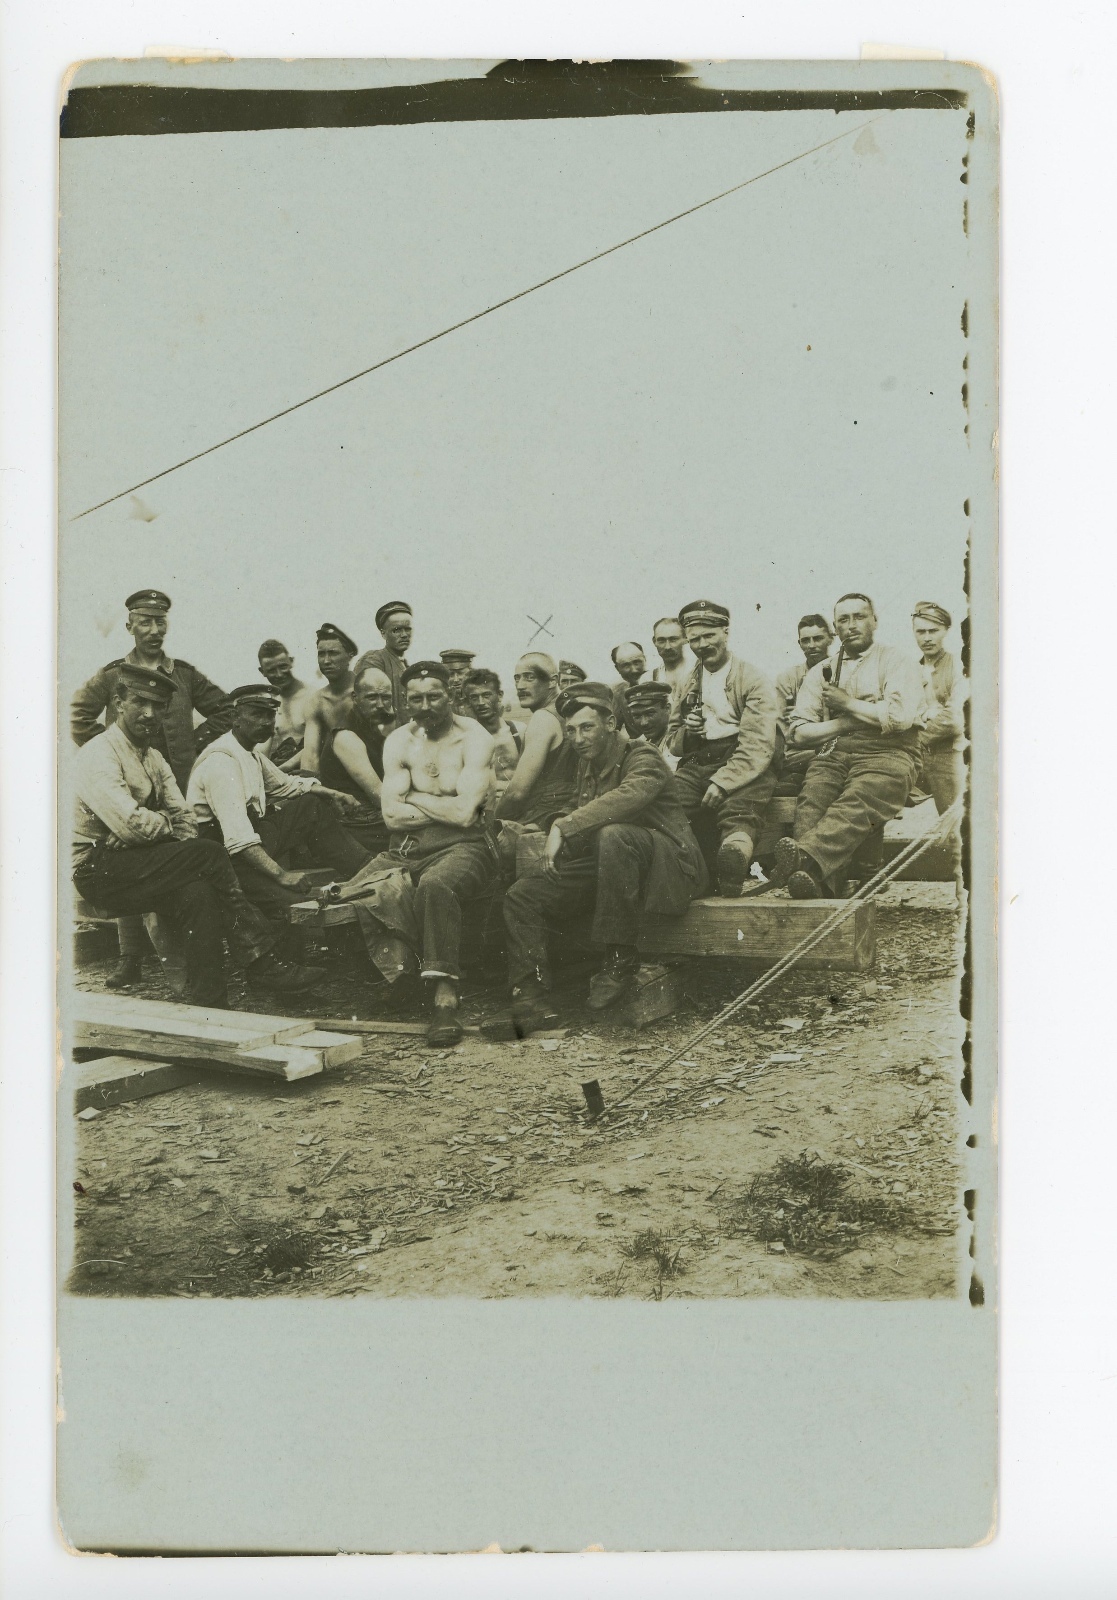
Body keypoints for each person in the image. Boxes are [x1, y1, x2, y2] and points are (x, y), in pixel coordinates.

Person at [73, 665, 323, 1005]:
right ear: (119, 703)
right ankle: (260, 959)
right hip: (96, 869)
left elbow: (186, 820)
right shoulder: (98, 754)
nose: (149, 713)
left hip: (135, 861)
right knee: (207, 852)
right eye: (139, 703)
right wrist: (155, 823)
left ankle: (210, 1001)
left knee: (199, 891)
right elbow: (134, 825)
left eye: (158, 706)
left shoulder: (154, 757)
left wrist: (150, 824)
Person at [493, 681, 706, 1034]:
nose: (578, 739)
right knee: (523, 894)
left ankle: (619, 958)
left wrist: (566, 825)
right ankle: (530, 996)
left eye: (587, 727)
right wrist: (544, 824)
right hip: (612, 872)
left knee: (613, 834)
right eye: (571, 730)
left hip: (670, 872)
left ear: (610, 723)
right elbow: (575, 805)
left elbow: (625, 799)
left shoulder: (642, 757)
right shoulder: (587, 762)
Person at [70, 588, 233, 989]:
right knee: (140, 850)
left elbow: (226, 710)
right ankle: (132, 958)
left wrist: (196, 743)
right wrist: (111, 748)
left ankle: (191, 977)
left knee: (168, 861)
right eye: (145, 621)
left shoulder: (184, 675)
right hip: (120, 795)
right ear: (130, 626)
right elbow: (75, 714)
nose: (154, 629)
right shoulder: (113, 676)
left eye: (160, 621)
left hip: (172, 780)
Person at [329, 662, 496, 1046]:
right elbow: (391, 816)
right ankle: (402, 975)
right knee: (352, 894)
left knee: (437, 886)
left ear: (450, 696)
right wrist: (439, 803)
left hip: (465, 845)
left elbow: (465, 813)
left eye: (434, 696)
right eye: (416, 698)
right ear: (406, 701)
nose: (426, 706)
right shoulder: (399, 741)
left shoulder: (474, 738)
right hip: (405, 848)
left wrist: (413, 797)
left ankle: (444, 998)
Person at [776, 593, 928, 898]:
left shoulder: (897, 662)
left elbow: (899, 718)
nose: (852, 625)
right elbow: (798, 733)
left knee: (858, 799)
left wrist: (846, 703)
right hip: (835, 749)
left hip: (889, 750)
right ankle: (817, 885)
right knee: (813, 800)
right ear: (836, 628)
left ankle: (805, 863)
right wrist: (848, 722)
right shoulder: (822, 672)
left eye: (859, 617)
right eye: (843, 620)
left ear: (875, 620)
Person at [187, 684, 369, 925]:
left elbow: (285, 785)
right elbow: (238, 840)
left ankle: (367, 868)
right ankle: (287, 960)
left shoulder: (250, 753)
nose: (265, 722)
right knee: (293, 900)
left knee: (311, 804)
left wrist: (331, 793)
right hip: (222, 858)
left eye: (270, 715)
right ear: (234, 718)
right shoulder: (222, 762)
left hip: (249, 842)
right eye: (257, 714)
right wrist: (282, 876)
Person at [665, 599, 782, 897]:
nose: (702, 645)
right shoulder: (689, 680)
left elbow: (757, 745)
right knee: (667, 802)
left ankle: (733, 865)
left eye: (709, 636)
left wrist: (723, 782)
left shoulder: (753, 679)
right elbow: (673, 740)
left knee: (740, 807)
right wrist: (690, 734)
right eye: (694, 639)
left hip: (743, 760)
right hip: (700, 760)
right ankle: (688, 875)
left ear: (725, 633)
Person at [493, 653, 578, 832]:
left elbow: (517, 793)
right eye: (517, 678)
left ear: (553, 681)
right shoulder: (569, 710)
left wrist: (492, 820)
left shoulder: (543, 718)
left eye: (529, 677)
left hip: (541, 816)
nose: (520, 686)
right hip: (567, 812)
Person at [319, 665, 397, 852]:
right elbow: (380, 797)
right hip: (356, 825)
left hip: (376, 818)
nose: (380, 704)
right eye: (372, 697)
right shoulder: (347, 736)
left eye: (385, 697)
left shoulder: (377, 728)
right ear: (356, 698)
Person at [912, 601, 965, 814]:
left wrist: (917, 735)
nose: (926, 638)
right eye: (920, 632)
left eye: (933, 631)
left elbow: (955, 718)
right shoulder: (911, 671)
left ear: (946, 631)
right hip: (920, 758)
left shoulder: (960, 665)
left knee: (956, 826)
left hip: (950, 756)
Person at [774, 614, 835, 795]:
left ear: (830, 639)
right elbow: (783, 730)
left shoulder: (844, 671)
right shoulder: (788, 679)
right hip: (800, 752)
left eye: (818, 638)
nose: (812, 645)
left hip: (836, 747)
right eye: (805, 640)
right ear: (799, 643)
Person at [300, 623, 359, 774]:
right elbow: (311, 754)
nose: (326, 661)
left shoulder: (365, 691)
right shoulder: (316, 700)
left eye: (333, 653)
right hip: (335, 776)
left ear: (350, 655)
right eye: (321, 654)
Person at [462, 668, 524, 812]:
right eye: (474, 697)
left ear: (499, 695)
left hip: (520, 809)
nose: (481, 702)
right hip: (482, 812)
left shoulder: (520, 732)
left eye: (486, 695)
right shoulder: (466, 740)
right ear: (468, 701)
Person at [256, 639, 317, 770]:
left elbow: (320, 743)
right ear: (262, 672)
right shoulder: (270, 704)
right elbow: (262, 750)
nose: (279, 674)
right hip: (283, 769)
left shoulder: (313, 696)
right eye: (271, 670)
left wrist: (283, 769)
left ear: (291, 661)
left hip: (311, 768)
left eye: (283, 666)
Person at [354, 601, 413, 724]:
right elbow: (365, 707)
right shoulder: (374, 660)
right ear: (383, 633)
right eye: (396, 630)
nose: (404, 635)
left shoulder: (408, 667)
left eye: (407, 629)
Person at [625, 680, 678, 769]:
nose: (643, 723)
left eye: (650, 714)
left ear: (667, 708)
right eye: (636, 716)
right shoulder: (637, 745)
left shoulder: (681, 742)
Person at [610, 640, 647, 735]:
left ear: (645, 660)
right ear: (617, 668)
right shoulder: (618, 693)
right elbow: (612, 729)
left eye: (637, 663)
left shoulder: (660, 679)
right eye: (626, 665)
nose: (634, 670)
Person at [650, 616, 691, 698]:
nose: (667, 647)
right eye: (661, 640)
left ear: (685, 639)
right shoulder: (649, 679)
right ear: (654, 642)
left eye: (673, 640)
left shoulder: (697, 672)